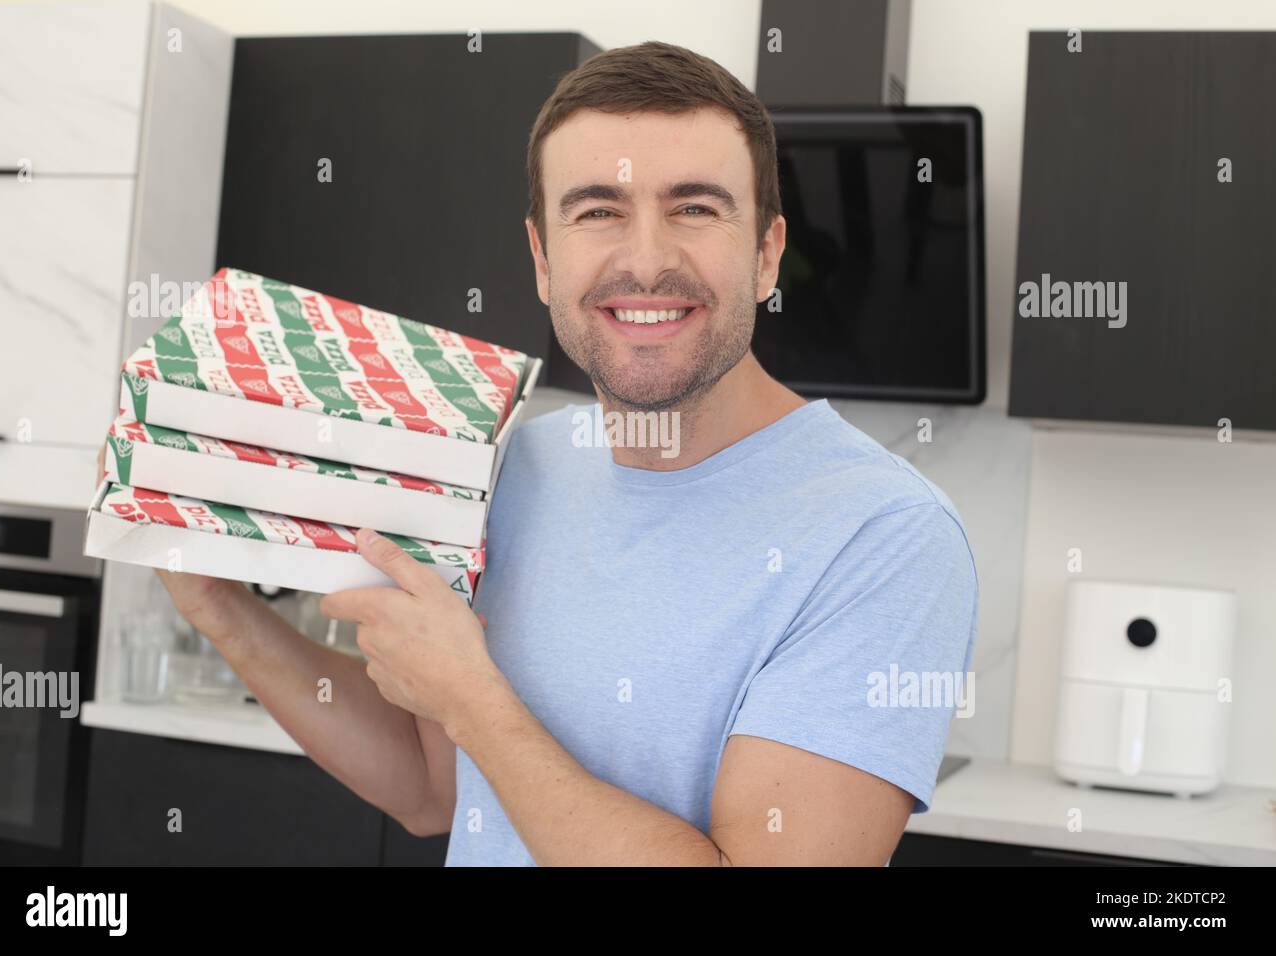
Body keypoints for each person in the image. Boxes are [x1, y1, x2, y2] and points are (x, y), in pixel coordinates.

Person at [96, 40, 977, 866]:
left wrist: (477, 700)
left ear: (767, 253)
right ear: (542, 258)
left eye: (695, 208)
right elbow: (430, 787)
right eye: (598, 210)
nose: (646, 259)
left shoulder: (883, 535)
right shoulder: (512, 465)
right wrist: (220, 608)